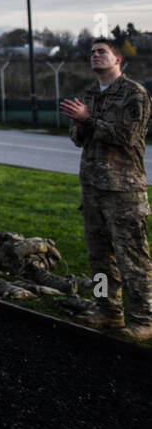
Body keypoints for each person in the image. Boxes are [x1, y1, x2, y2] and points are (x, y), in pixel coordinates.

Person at [61, 38, 152, 340]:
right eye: (92, 52)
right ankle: (107, 309)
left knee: (133, 258)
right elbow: (77, 138)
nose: (95, 56)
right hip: (92, 187)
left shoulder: (133, 94)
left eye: (102, 52)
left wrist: (88, 119)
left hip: (123, 189)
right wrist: (81, 123)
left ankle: (143, 318)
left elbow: (129, 136)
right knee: (99, 256)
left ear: (118, 60)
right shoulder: (88, 94)